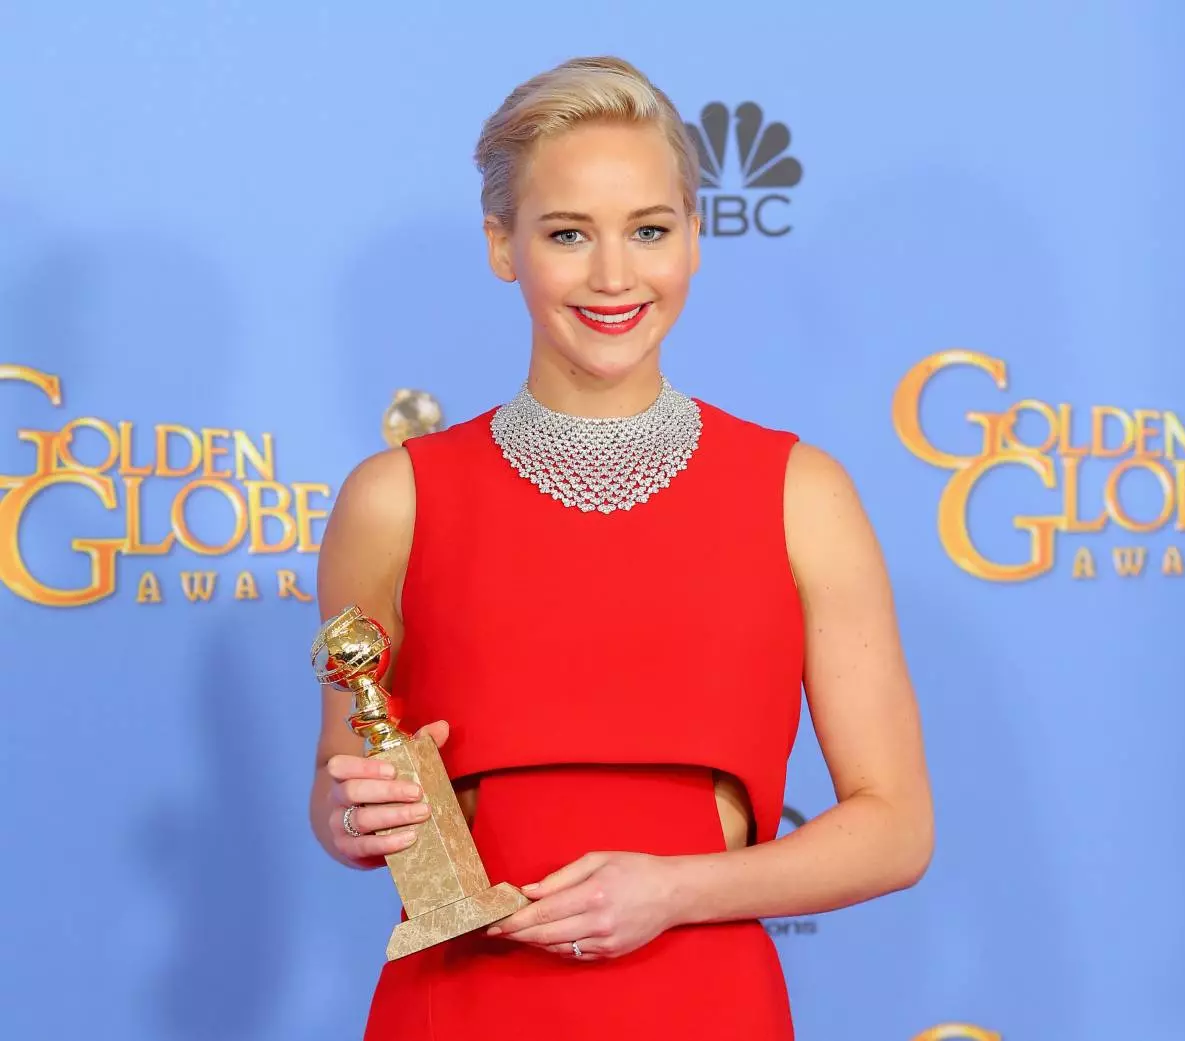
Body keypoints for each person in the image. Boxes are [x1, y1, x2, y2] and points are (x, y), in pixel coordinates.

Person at [309, 55, 934, 1040]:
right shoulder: (395, 500)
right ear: (501, 245)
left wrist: (676, 891)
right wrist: (353, 822)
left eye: (650, 229)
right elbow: (345, 778)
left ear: (694, 239)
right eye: (568, 234)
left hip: (702, 1001)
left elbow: (894, 827)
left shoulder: (799, 494)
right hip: (461, 1000)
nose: (614, 276)